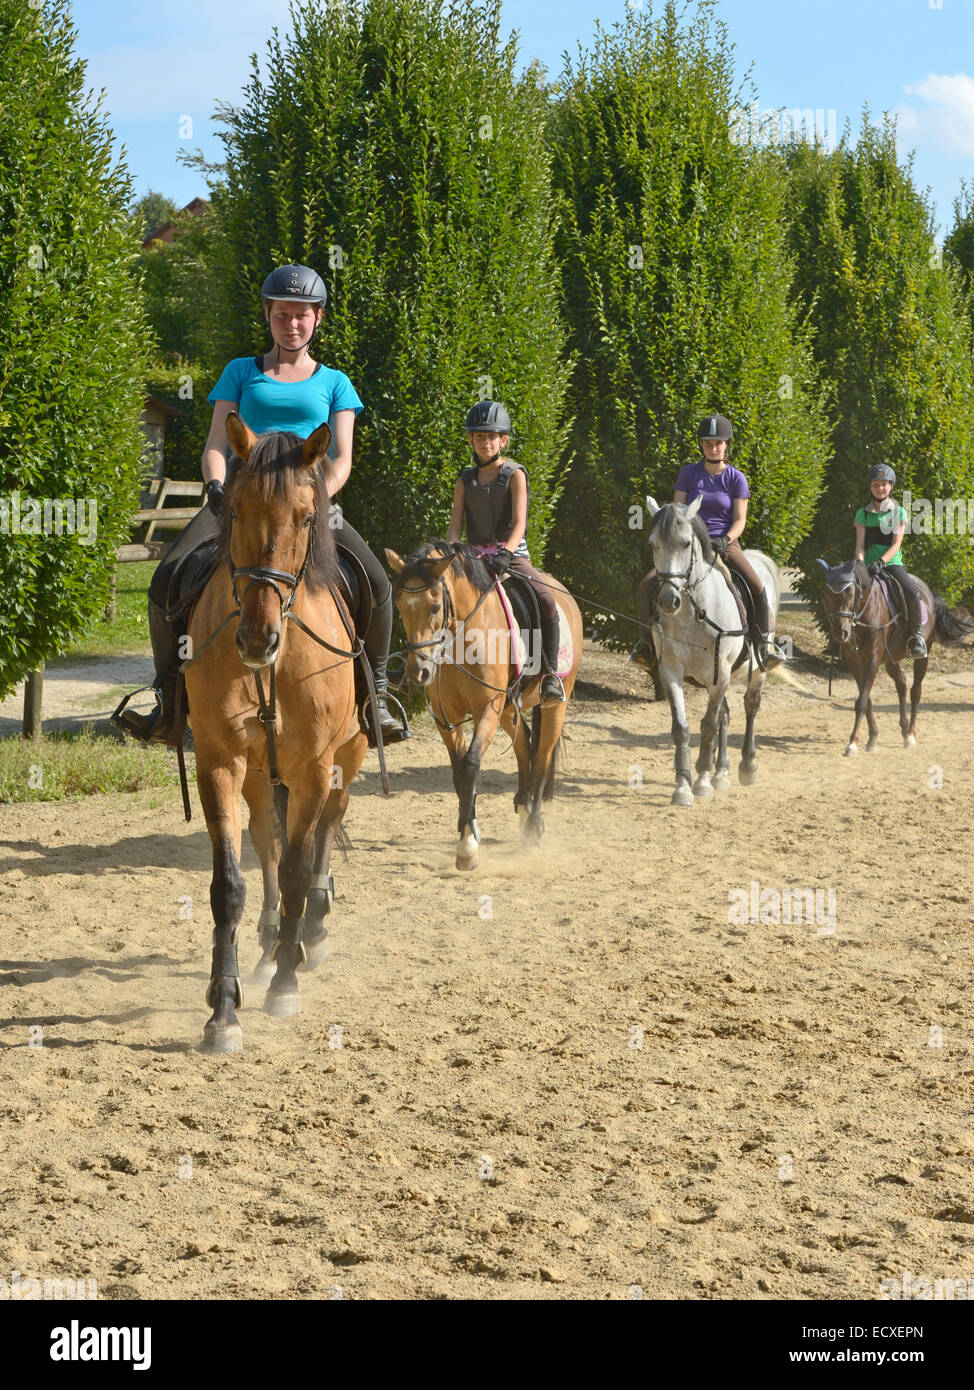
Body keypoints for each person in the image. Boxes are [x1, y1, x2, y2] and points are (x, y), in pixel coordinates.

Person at [113, 263, 409, 747]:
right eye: (282, 314)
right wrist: (215, 485)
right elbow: (215, 443)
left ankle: (374, 697)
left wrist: (313, 498)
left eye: (301, 315)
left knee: (376, 583)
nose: (291, 323)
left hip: (306, 506)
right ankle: (167, 699)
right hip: (240, 504)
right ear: (268, 315)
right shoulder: (240, 373)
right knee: (165, 578)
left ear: (317, 319)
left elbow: (341, 458)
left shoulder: (336, 383)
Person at [632, 413, 787, 677]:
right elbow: (677, 513)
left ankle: (764, 647)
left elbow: (740, 519)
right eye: (708, 442)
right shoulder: (688, 474)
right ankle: (646, 647)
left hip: (725, 545)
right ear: (701, 445)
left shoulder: (736, 479)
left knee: (757, 586)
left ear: (727, 445)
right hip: (689, 546)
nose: (713, 447)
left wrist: (726, 539)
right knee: (647, 584)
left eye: (718, 442)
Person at [446, 400, 565, 705]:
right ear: (471, 440)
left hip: (510, 556)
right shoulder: (464, 480)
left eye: (492, 437)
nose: (486, 442)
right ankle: (430, 669)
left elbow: (521, 523)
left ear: (503, 440)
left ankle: (548, 674)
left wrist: (506, 553)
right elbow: (455, 526)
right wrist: (450, 556)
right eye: (479, 437)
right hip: (473, 558)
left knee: (545, 599)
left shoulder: (515, 475)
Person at [854, 462, 927, 657]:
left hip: (891, 564)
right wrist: (860, 562)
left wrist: (882, 562)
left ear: (891, 486)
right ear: (870, 487)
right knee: (846, 591)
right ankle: (843, 636)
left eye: (884, 484)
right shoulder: (863, 513)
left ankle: (916, 636)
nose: (880, 488)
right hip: (867, 566)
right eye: (876, 485)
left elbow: (896, 543)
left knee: (911, 593)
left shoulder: (898, 512)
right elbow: (859, 545)